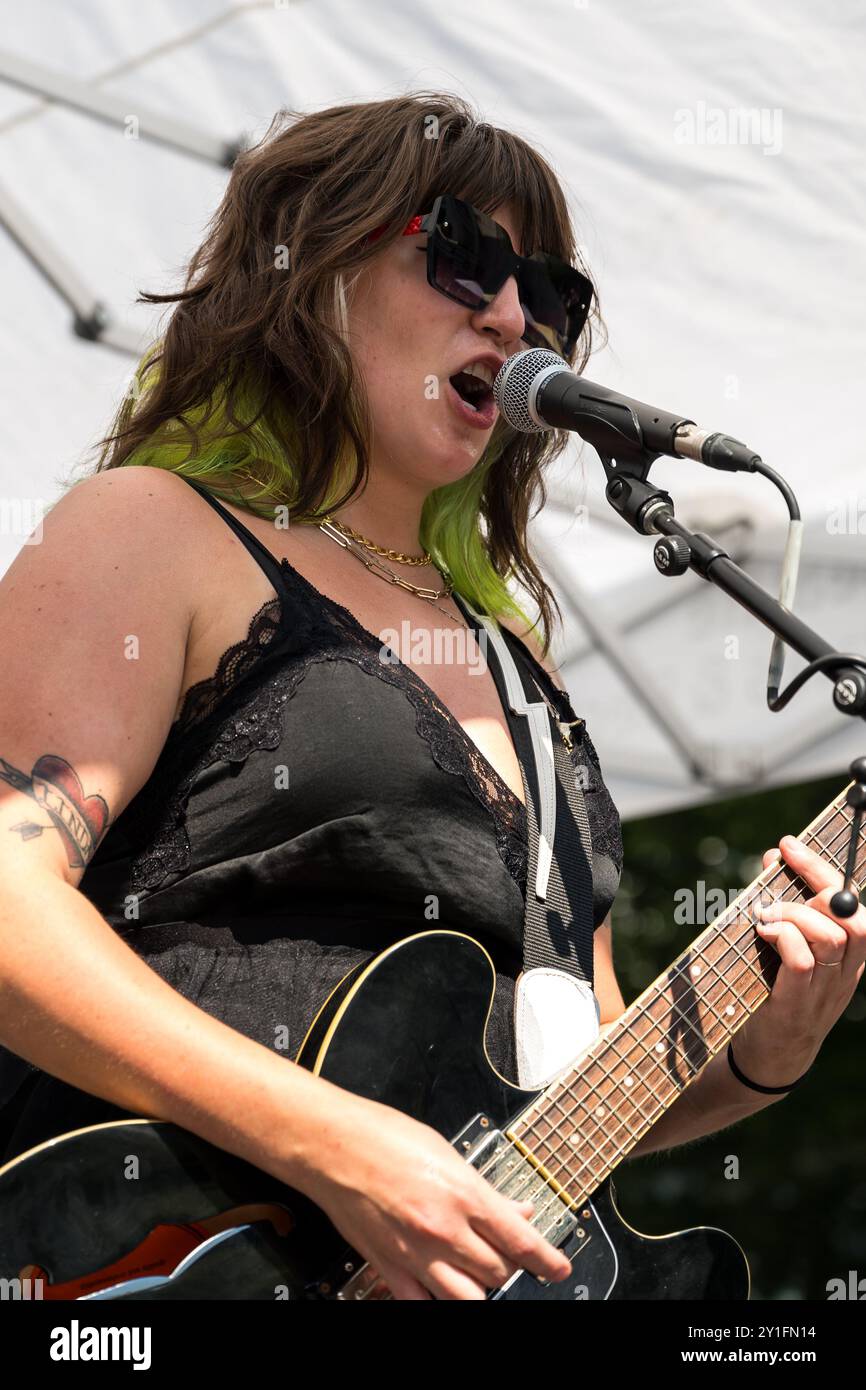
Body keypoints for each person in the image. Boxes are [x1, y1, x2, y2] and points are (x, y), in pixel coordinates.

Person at [0, 93, 862, 1302]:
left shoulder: (522, 663)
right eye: (466, 256)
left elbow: (566, 1096)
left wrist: (761, 1059)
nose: (514, 316)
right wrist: (333, 1145)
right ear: (310, 268)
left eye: (549, 295)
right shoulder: (152, 530)